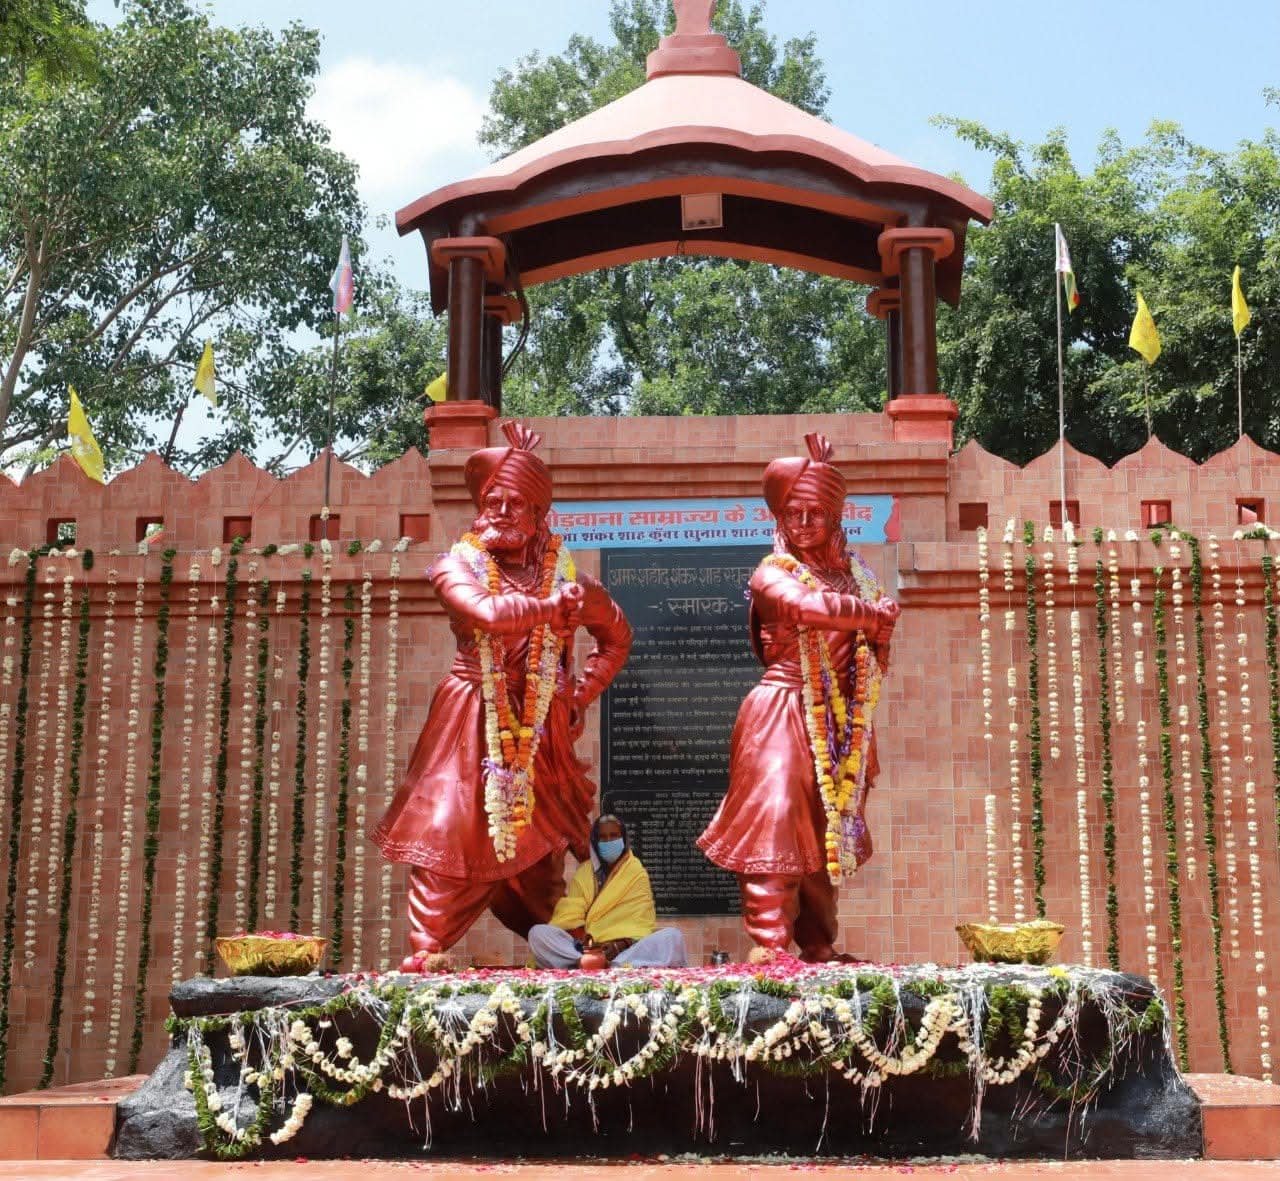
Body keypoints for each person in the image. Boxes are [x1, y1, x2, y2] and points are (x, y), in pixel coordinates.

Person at [373, 421, 632, 970]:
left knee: (540, 851)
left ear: (541, 516)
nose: (500, 512)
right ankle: (427, 949)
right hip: (470, 714)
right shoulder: (455, 566)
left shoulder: (570, 583)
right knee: (452, 826)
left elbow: (617, 637)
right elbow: (483, 614)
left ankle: (566, 944)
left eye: (517, 504)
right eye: (492, 501)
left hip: (540, 730)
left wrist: (578, 694)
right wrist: (547, 610)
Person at [697, 433, 899, 962]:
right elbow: (803, 607)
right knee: (778, 817)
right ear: (779, 520)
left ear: (836, 519)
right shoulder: (772, 573)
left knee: (822, 833)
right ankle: (767, 946)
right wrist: (871, 616)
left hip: (839, 723)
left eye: (815, 513)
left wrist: (880, 634)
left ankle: (817, 945)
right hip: (781, 710)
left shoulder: (860, 576)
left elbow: (875, 661)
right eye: (793, 513)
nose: (804, 523)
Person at [528, 814, 687, 968]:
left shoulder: (636, 872)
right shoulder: (584, 872)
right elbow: (570, 915)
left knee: (672, 937)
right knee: (538, 933)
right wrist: (586, 943)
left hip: (626, 950)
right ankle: (587, 962)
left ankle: (610, 965)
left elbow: (641, 924)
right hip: (585, 949)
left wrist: (620, 945)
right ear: (595, 841)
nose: (609, 840)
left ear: (623, 839)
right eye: (603, 837)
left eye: (614, 835)